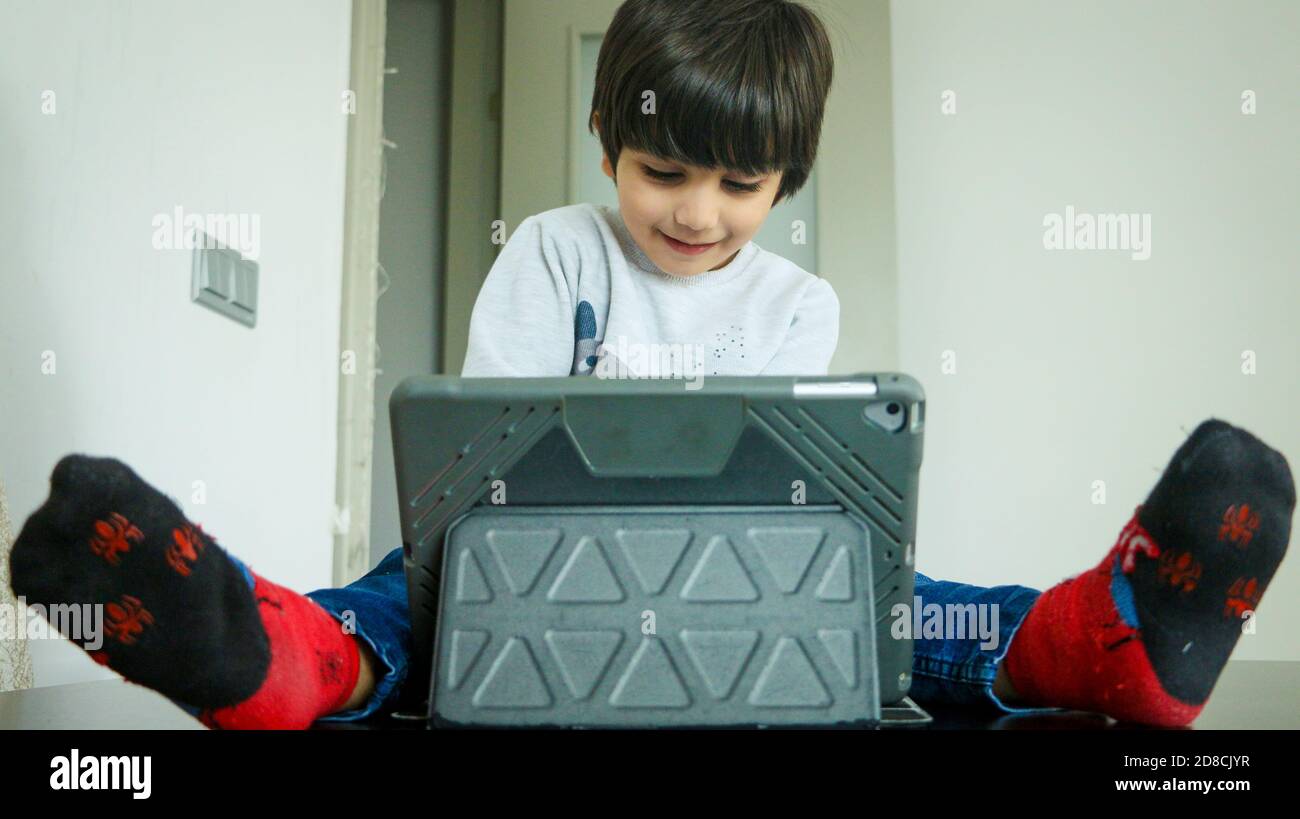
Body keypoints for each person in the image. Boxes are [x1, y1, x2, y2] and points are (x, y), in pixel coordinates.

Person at [8, 0, 1293, 730]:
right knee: (403, 605)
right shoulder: (554, 257)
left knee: (909, 610)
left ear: (787, 179)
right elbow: (480, 466)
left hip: (758, 569)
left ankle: (1105, 637)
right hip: (516, 558)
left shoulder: (801, 300)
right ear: (602, 143)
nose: (697, 213)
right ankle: (265, 654)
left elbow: (806, 496)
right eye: (662, 173)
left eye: (741, 185)